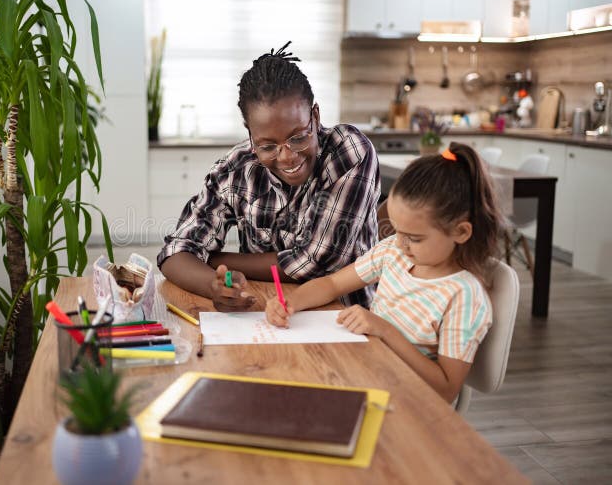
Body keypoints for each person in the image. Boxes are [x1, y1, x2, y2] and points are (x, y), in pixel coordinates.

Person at [265, 143, 502, 403]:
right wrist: (291, 303)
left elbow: (446, 389)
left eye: (414, 238)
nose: (400, 243)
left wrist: (385, 331)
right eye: (397, 230)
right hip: (371, 374)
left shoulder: (464, 297)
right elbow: (332, 284)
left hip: (411, 402)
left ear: (461, 232)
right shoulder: (394, 253)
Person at [158, 42, 380, 311]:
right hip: (264, 313)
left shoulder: (348, 152)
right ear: (250, 134)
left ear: (315, 116)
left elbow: (313, 262)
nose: (287, 157)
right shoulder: (234, 169)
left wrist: (212, 259)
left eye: (298, 137)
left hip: (346, 317)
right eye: (267, 146)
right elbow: (175, 252)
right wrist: (212, 286)